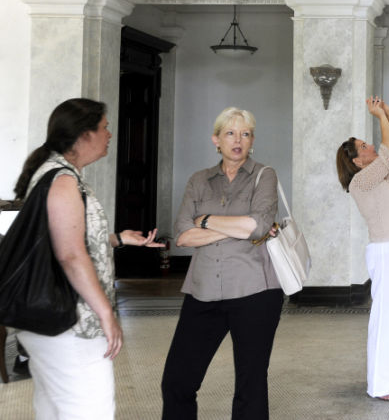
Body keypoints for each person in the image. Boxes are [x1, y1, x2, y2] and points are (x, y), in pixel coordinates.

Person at [12, 98, 161, 418]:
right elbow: (69, 254)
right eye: (105, 128)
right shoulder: (63, 180)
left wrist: (118, 238)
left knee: (54, 409)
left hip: (56, 320)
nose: (110, 134)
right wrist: (106, 312)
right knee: (89, 410)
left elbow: (64, 239)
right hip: (70, 321)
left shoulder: (56, 172)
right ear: (84, 135)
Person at [161, 107, 283, 420]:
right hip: (202, 291)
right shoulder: (198, 180)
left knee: (250, 387)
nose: (238, 140)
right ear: (216, 139)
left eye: (245, 133)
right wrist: (236, 228)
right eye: (230, 133)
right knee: (177, 380)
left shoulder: (264, 175)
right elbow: (182, 236)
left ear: (252, 139)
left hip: (255, 290)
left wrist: (204, 221)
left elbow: (256, 227)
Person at [336, 96, 389, 401]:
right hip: (387, 252)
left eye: (370, 144)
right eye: (364, 147)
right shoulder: (361, 181)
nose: (371, 147)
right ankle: (379, 385)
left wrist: (387, 111)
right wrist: (378, 114)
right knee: (385, 317)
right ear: (357, 161)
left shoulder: (381, 171)